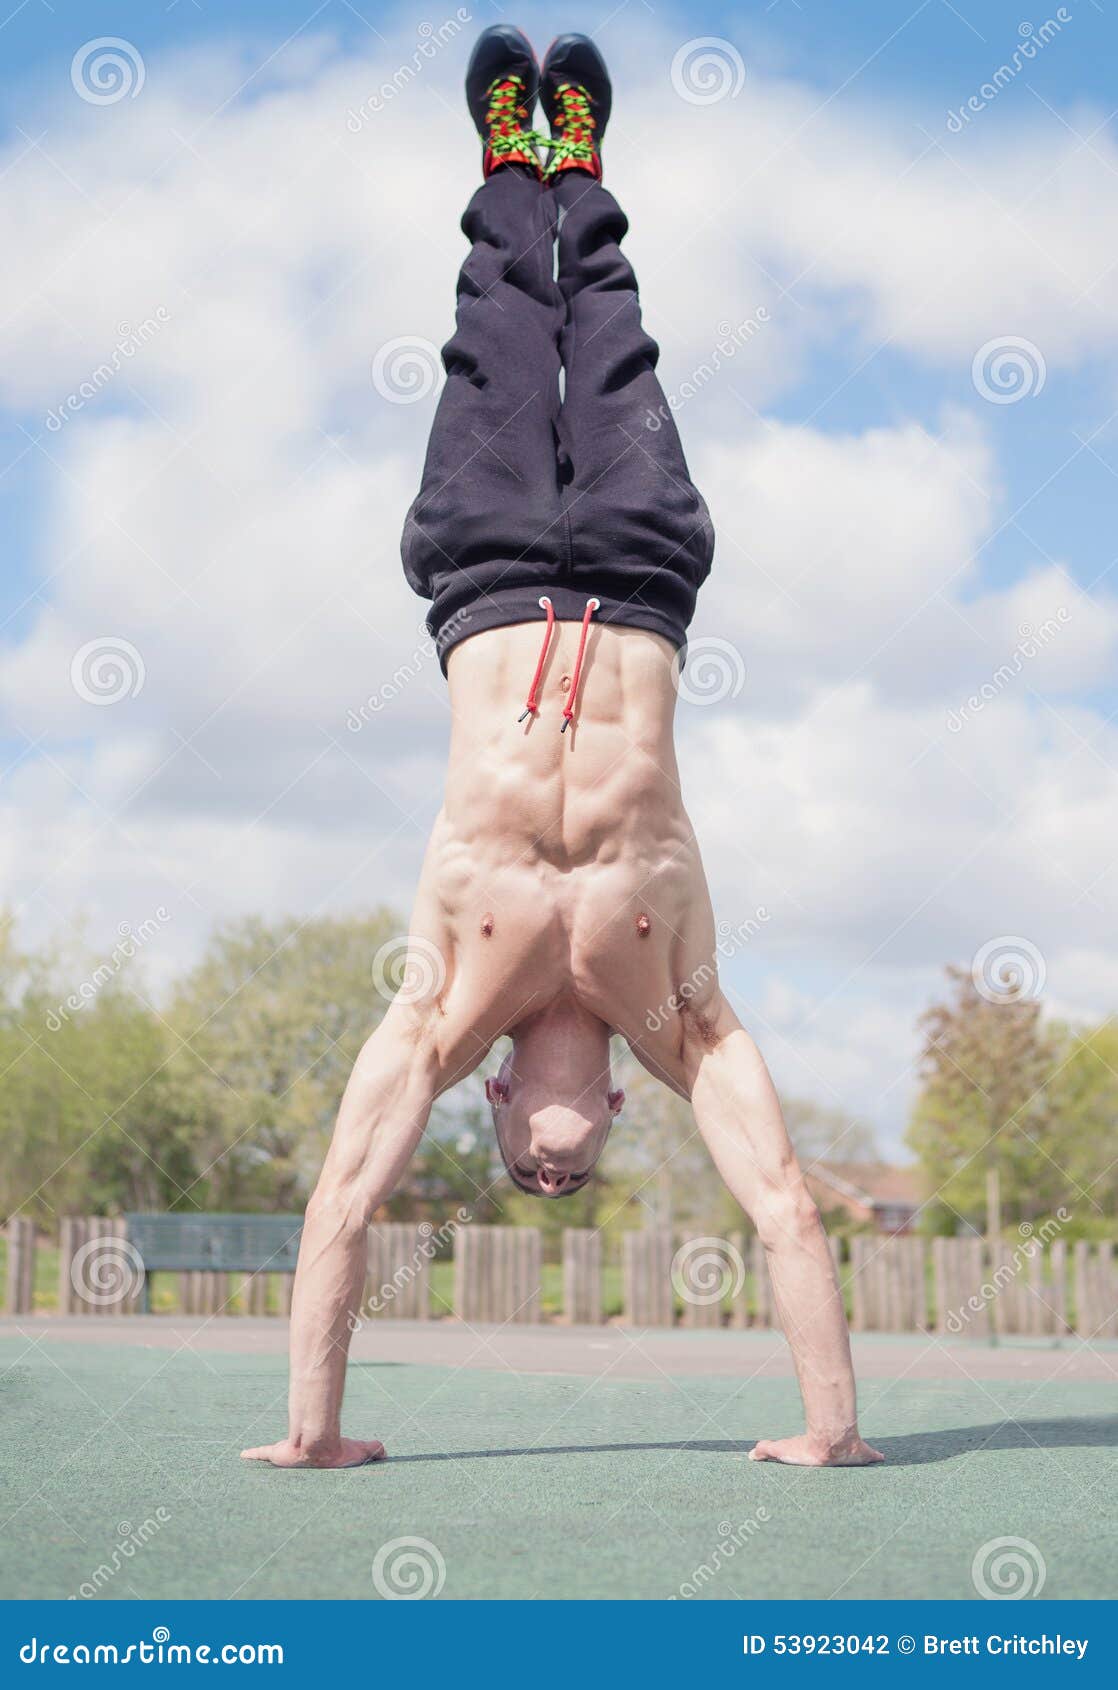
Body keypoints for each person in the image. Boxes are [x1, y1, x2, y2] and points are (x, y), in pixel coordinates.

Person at [243, 26, 883, 1471]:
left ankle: (505, 169)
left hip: (482, 574)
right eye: (564, 1168)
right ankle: (574, 168)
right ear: (605, 1105)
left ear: (494, 1097)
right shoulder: (683, 1012)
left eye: (522, 1161)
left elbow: (343, 1195)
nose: (546, 1161)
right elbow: (779, 1195)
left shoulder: (437, 1007)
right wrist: (830, 1431)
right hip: (643, 576)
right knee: (602, 330)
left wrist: (310, 1435)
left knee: (492, 336)